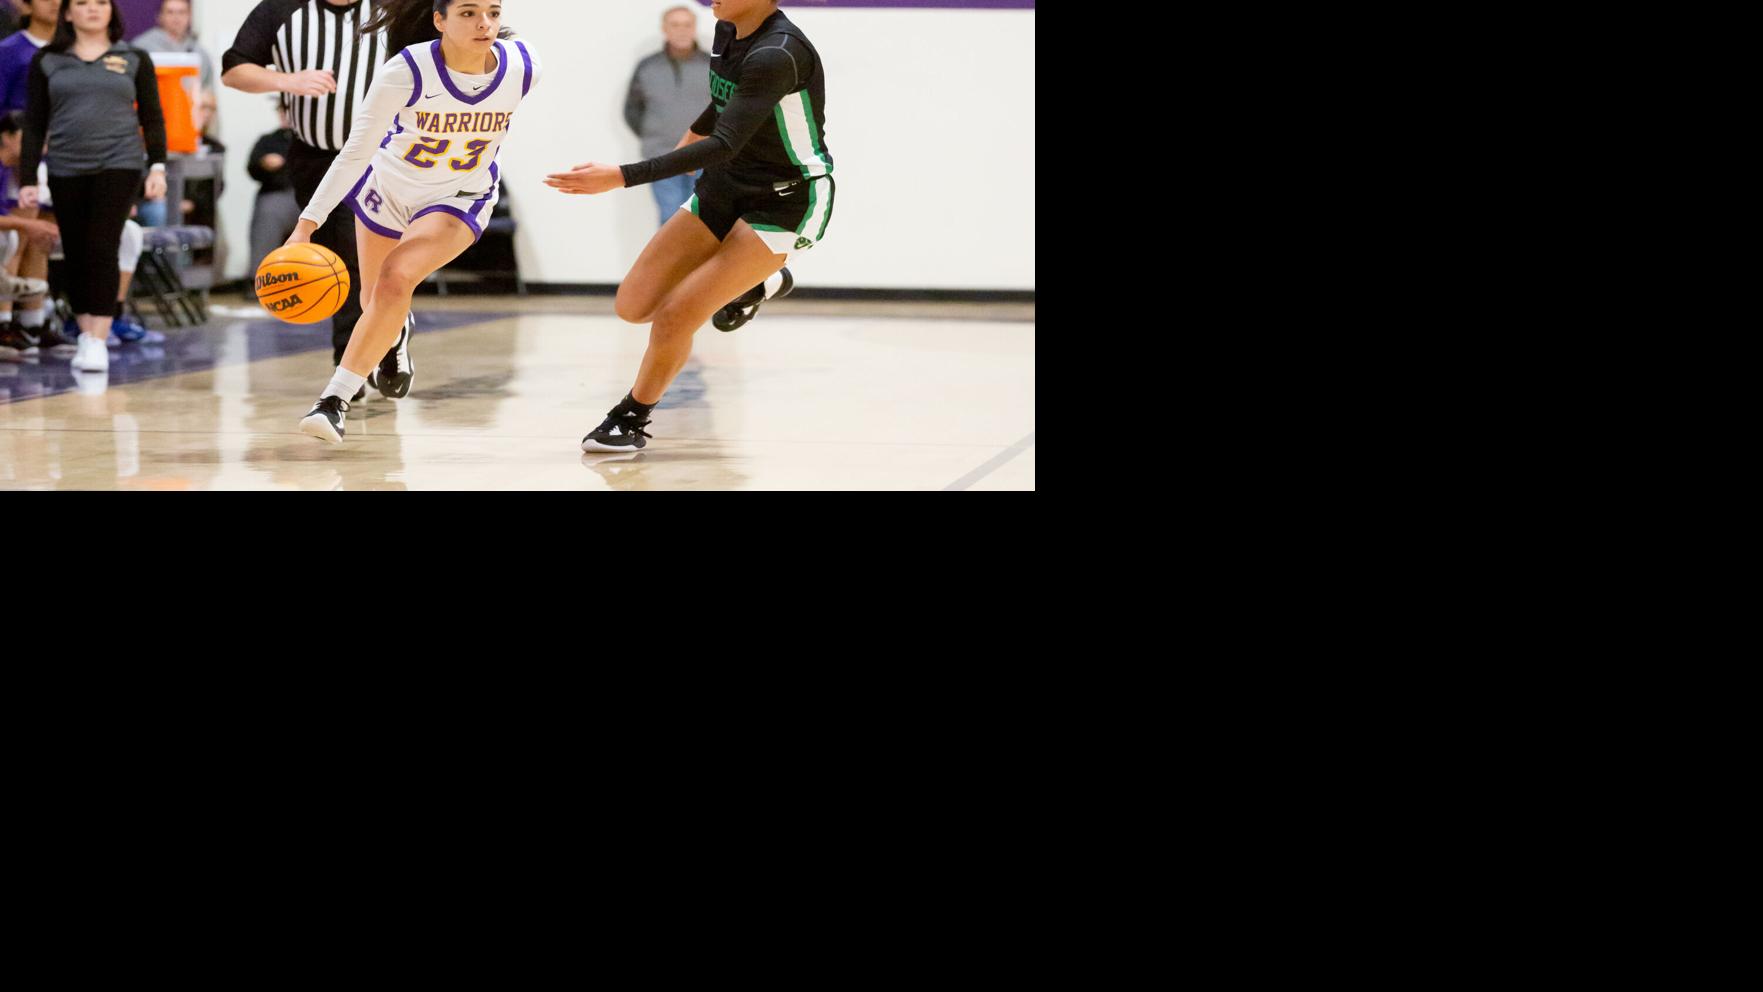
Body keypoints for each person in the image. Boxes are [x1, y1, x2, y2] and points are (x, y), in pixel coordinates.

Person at [547, 0, 830, 452]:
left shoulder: (778, 52)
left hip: (783, 200)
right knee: (633, 305)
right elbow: (722, 106)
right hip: (725, 186)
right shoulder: (727, 30)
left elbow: (726, 142)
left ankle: (629, 418)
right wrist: (688, 140)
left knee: (677, 315)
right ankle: (762, 280)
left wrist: (621, 175)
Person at [288, 0, 539, 444]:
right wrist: (307, 224)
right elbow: (355, 152)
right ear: (439, 20)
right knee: (376, 300)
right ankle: (397, 334)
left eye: (493, 12)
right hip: (387, 189)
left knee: (395, 278)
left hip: (460, 194)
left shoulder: (523, 64)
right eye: (468, 13)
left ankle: (333, 401)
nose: (484, 23)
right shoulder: (405, 71)